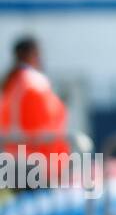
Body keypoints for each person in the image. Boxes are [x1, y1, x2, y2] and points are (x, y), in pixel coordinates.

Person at [0, 35, 70, 163]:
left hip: (9, 157)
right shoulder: (36, 83)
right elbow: (50, 123)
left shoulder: (9, 84)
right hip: (36, 161)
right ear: (33, 54)